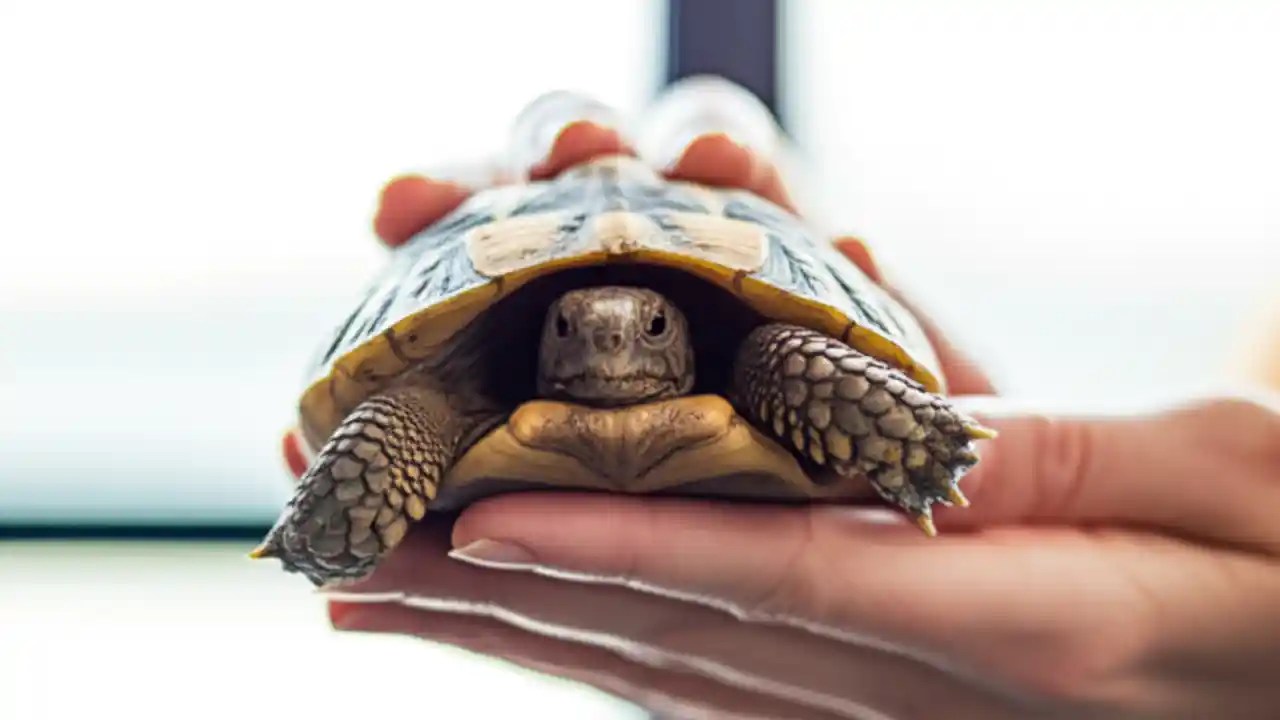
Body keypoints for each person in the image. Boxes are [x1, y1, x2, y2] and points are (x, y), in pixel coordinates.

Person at [311, 86, 1280, 720]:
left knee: (790, 360)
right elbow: (404, 411)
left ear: (685, 336)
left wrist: (931, 454)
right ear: (539, 336)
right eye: (571, 329)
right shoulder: (447, 397)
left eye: (648, 329)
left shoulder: (768, 361)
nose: (609, 340)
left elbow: (908, 436)